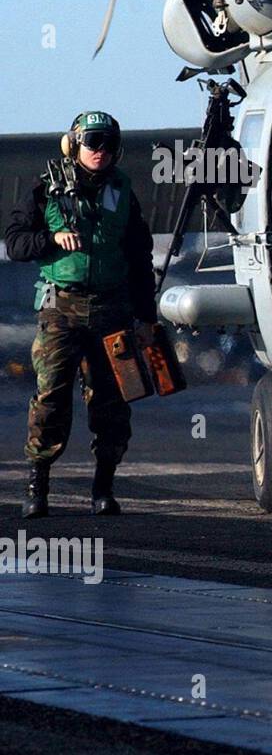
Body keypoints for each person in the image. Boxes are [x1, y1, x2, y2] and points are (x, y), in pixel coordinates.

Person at [4, 111, 157, 518]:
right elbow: (15, 242)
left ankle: (103, 488)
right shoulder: (46, 188)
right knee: (51, 396)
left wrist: (147, 318)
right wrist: (50, 239)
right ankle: (37, 485)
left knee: (113, 400)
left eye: (108, 144)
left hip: (113, 309)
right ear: (73, 144)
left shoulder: (122, 192)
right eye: (92, 143)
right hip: (61, 309)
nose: (100, 152)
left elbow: (140, 258)